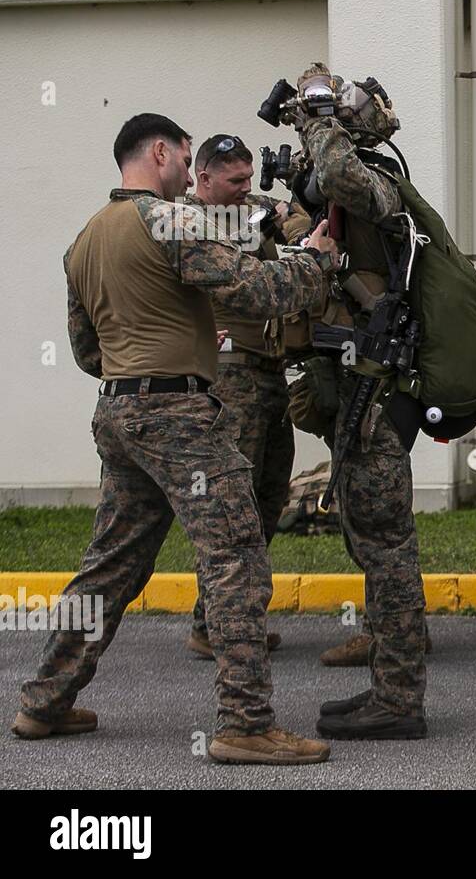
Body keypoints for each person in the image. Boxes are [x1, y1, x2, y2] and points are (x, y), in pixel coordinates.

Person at [13, 113, 337, 764]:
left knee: (111, 564)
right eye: (185, 159)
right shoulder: (170, 221)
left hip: (119, 413)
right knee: (236, 552)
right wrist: (315, 261)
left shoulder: (85, 240)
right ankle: (244, 724)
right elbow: (255, 290)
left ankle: (44, 701)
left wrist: (140, 359)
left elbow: (86, 352)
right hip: (180, 417)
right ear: (157, 152)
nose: (190, 174)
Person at [280, 64, 429, 740]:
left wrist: (315, 118)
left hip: (381, 389)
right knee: (372, 540)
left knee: (388, 546)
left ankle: (399, 701)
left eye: (334, 118)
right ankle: (389, 690)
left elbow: (338, 177)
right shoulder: (352, 189)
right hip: (360, 385)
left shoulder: (379, 184)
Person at [182, 133, 313, 661]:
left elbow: (296, 221)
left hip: (270, 372)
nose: (243, 190)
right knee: (229, 507)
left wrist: (296, 218)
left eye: (246, 179)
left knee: (267, 496)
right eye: (231, 182)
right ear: (203, 178)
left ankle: (234, 618)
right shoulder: (183, 222)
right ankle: (214, 625)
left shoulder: (251, 208)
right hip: (226, 378)